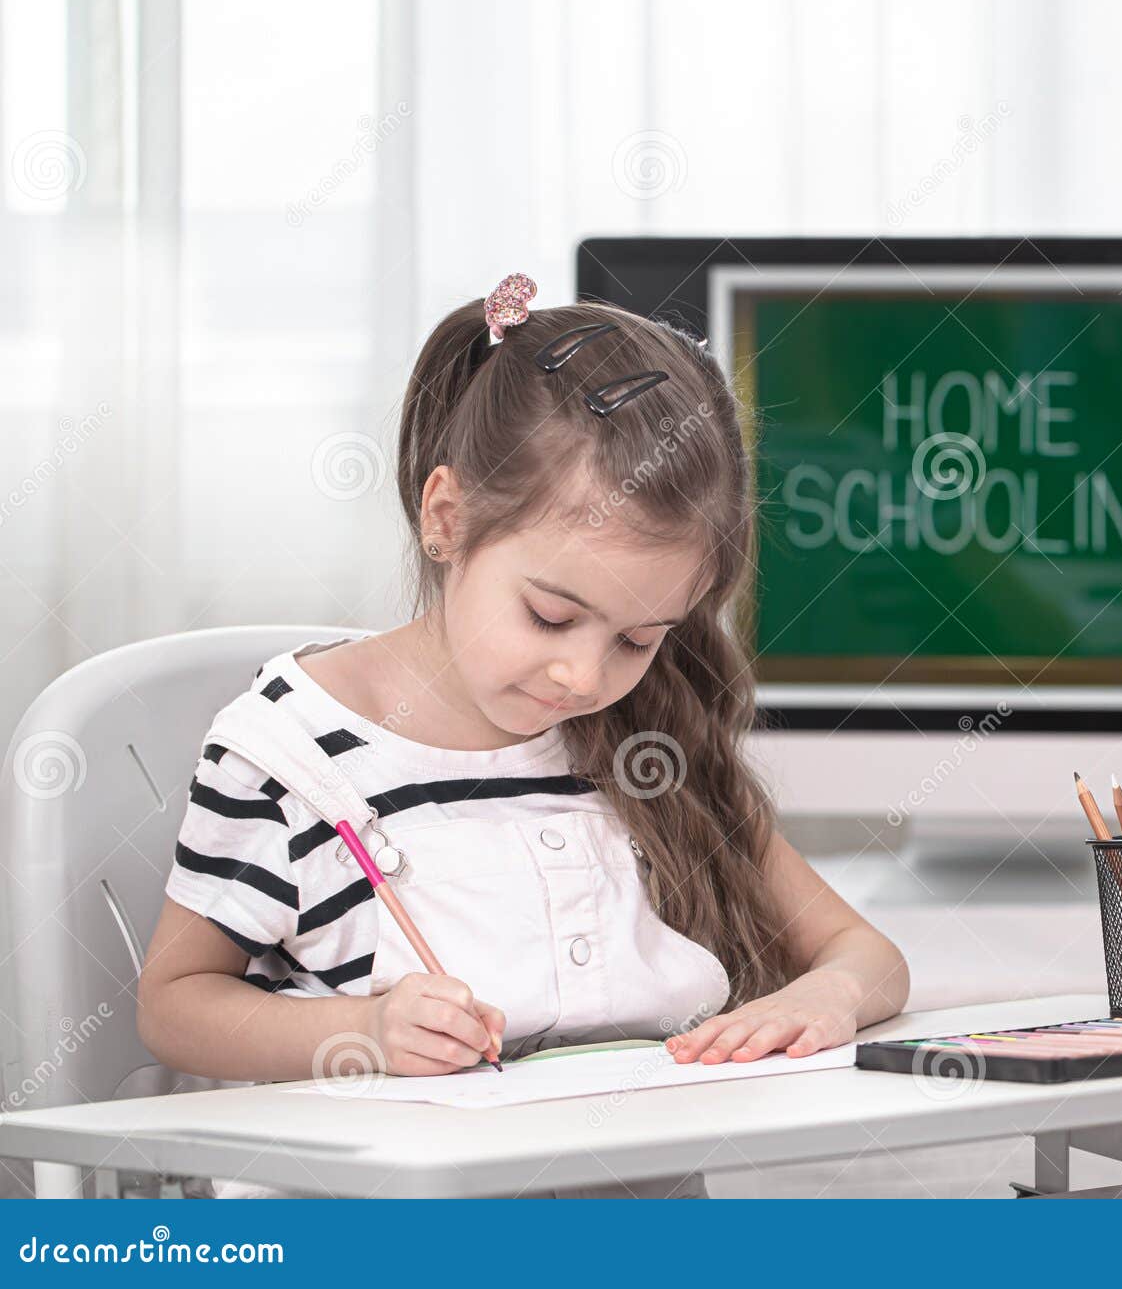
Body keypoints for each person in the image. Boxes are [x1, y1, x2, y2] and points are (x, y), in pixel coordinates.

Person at [136, 273, 910, 1198]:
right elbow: (174, 1006)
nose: (583, 678)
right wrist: (365, 1035)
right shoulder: (288, 751)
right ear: (446, 517)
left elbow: (868, 958)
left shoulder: (644, 742)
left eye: (636, 639)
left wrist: (824, 996)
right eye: (550, 617)